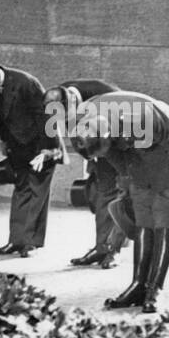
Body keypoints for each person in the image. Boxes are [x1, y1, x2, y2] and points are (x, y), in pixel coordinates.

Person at [72, 90, 169, 313]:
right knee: (143, 221)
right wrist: (127, 182)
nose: (101, 156)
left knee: (162, 221)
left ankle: (155, 289)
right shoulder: (91, 123)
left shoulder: (144, 118)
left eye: (100, 149)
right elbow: (113, 156)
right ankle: (138, 285)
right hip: (139, 162)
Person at [0, 61, 63, 258]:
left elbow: (48, 115)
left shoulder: (25, 83)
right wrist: (4, 141)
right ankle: (16, 241)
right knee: (21, 190)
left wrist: (48, 149)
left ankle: (31, 243)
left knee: (37, 191)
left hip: (40, 143)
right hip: (18, 144)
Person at [43, 79, 125, 268]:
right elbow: (74, 130)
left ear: (73, 102)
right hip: (96, 142)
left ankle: (115, 250)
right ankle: (101, 248)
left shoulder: (107, 97)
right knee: (104, 194)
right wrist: (89, 157)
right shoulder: (58, 95)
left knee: (120, 196)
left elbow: (121, 130)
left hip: (118, 141)